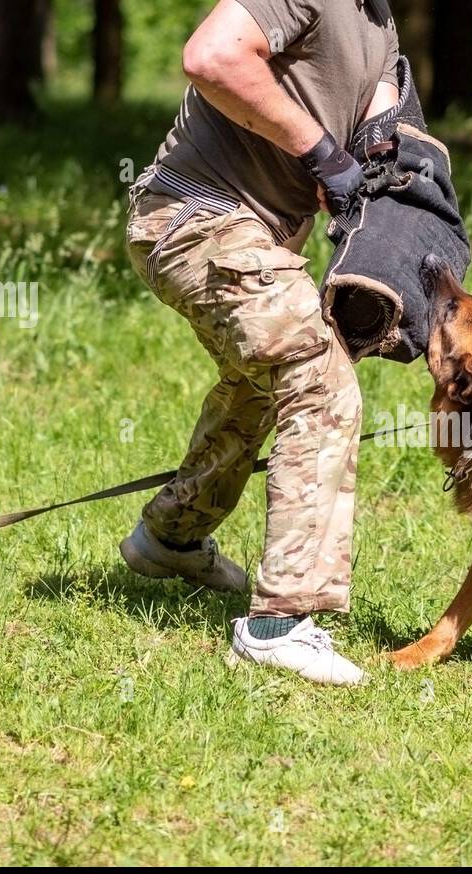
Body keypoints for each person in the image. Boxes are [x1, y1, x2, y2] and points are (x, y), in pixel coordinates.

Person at [120, 0, 401, 686]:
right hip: (197, 220)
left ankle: (172, 539)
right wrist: (319, 151)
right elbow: (211, 57)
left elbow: (384, 106)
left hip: (251, 234)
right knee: (316, 375)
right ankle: (280, 623)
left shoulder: (381, 18)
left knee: (260, 380)